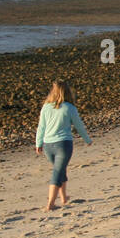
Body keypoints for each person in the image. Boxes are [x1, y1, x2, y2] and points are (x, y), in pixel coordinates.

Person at [34, 80, 92, 211]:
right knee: (57, 172)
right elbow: (79, 126)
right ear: (67, 92)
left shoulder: (46, 107)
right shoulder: (70, 108)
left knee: (60, 169)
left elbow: (41, 127)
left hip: (48, 145)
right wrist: (87, 139)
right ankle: (50, 204)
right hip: (63, 145)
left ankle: (64, 197)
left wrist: (38, 143)